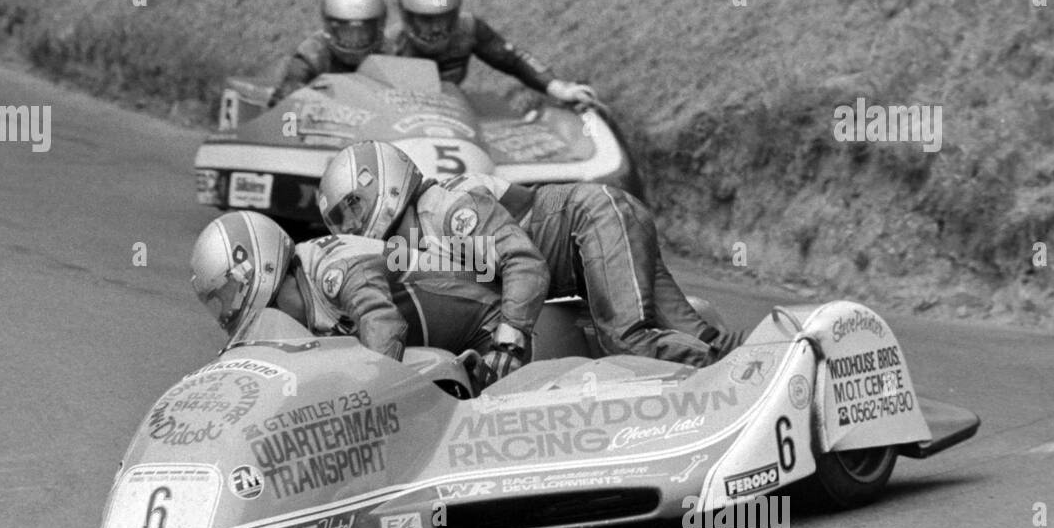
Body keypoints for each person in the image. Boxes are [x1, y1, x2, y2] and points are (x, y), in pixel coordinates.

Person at [444, 172, 749, 365]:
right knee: (694, 335)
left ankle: (745, 363)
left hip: (595, 220)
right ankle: (752, 356)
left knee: (626, 341)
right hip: (600, 224)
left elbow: (524, 267)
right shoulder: (439, 214)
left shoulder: (452, 200)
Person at [317, 140, 549, 388]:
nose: (350, 224)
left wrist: (507, 345)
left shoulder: (444, 209)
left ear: (383, 178)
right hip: (521, 316)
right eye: (340, 219)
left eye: (353, 205)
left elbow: (524, 262)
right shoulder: (396, 256)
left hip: (537, 314)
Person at [189, 211, 509, 372]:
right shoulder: (295, 296)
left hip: (489, 332)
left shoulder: (338, 268)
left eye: (227, 294)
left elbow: (385, 329)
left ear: (256, 270)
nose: (227, 311)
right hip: (433, 353)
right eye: (218, 303)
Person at [390, 0, 597, 105]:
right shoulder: (388, 45)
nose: (435, 29)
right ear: (408, 17)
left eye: (442, 19)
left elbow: (513, 60)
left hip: (450, 115)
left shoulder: (469, 29)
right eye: (426, 20)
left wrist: (559, 88)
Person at [270, 0, 387, 103]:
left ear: (378, 27)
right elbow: (284, 111)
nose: (356, 40)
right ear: (329, 29)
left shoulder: (389, 52)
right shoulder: (312, 57)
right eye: (347, 33)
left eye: (363, 32)